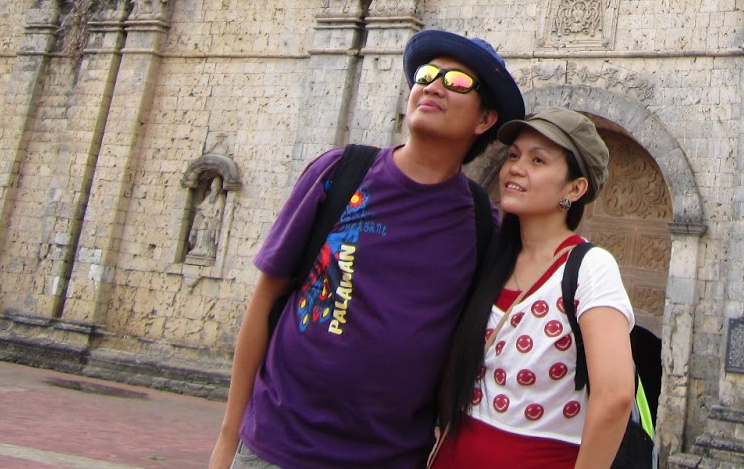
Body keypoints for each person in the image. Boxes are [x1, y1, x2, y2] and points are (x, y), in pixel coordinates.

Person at [209, 29, 524, 469]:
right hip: (277, 444)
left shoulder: (479, 224)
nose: (433, 86)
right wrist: (228, 436)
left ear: (484, 119)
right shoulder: (341, 172)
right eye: (426, 75)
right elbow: (266, 297)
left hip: (390, 457)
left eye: (456, 82)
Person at [432, 107, 635, 469]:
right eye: (513, 156)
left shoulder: (589, 267)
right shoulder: (492, 259)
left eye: (537, 160)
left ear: (575, 188)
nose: (515, 168)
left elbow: (615, 396)